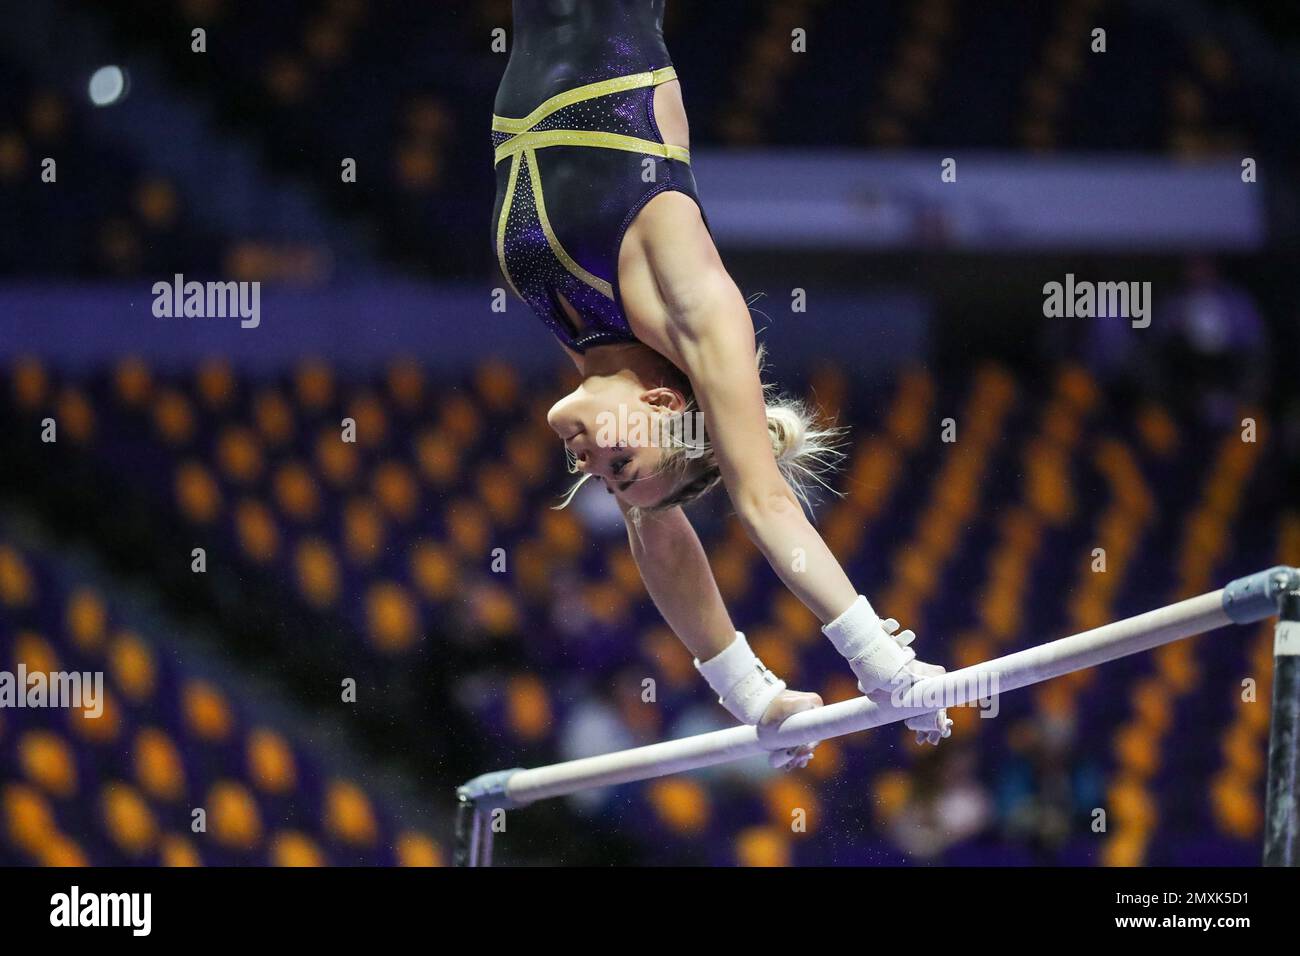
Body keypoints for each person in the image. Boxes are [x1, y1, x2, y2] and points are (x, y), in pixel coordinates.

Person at [492, 0, 951, 768]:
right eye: (617, 466)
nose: (584, 465)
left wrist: (752, 695)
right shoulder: (691, 310)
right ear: (666, 405)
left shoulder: (594, 345)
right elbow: (764, 499)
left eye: (603, 479)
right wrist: (879, 661)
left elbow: (656, 534)